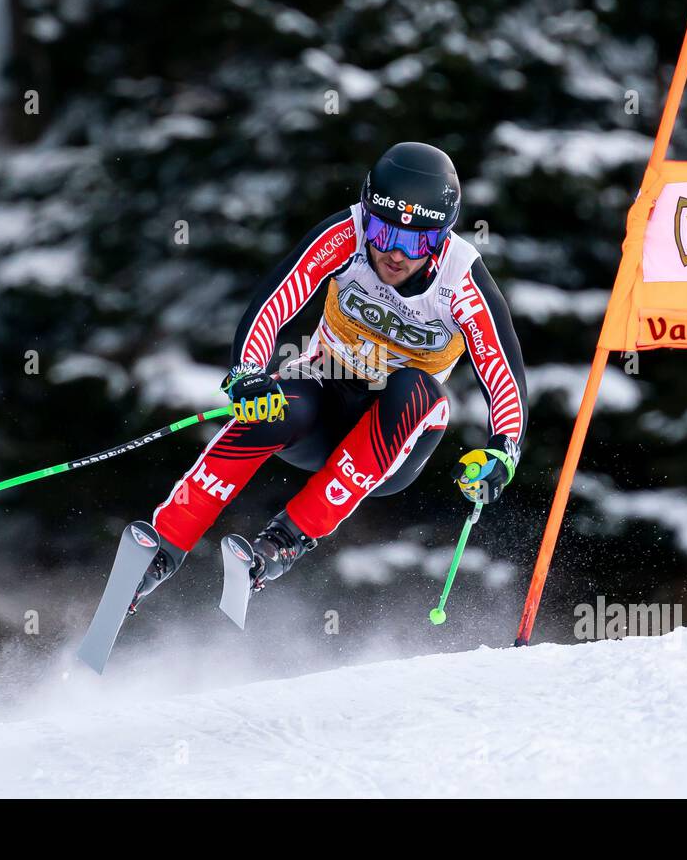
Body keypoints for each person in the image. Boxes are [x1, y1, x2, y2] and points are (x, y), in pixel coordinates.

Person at [129, 141, 528, 612]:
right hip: (325, 399)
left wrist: (503, 450)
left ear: (440, 238)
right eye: (384, 231)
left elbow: (502, 370)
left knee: (417, 388)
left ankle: (285, 541)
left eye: (414, 240)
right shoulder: (347, 235)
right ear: (368, 215)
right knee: (277, 403)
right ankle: (165, 546)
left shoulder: (461, 281)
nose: (394, 254)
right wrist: (247, 374)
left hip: (393, 438)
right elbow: (277, 297)